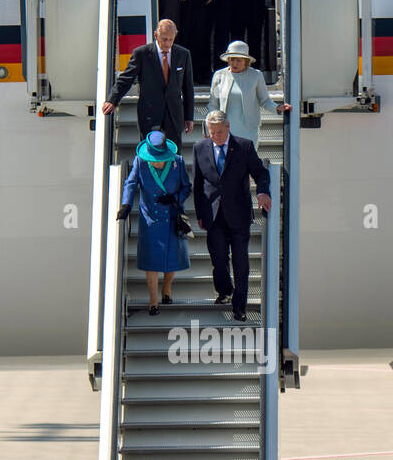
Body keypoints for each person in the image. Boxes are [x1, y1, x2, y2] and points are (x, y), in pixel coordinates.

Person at [192, 110, 271, 321]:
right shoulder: (199, 148)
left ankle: (240, 306)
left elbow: (260, 172)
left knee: (240, 263)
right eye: (211, 133)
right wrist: (200, 212)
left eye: (218, 132)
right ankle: (224, 291)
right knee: (218, 259)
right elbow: (198, 184)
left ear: (228, 127)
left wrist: (263, 191)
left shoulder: (244, 146)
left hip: (239, 214)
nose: (215, 136)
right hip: (213, 214)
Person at [117, 130, 192, 314]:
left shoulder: (177, 162)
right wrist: (126, 204)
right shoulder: (140, 161)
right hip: (150, 217)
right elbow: (130, 183)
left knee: (171, 257)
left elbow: (186, 187)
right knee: (151, 260)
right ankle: (153, 300)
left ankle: (166, 289)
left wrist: (175, 198)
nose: (157, 162)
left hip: (172, 217)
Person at [102, 20, 194, 153]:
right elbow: (126, 79)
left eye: (171, 39)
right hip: (150, 115)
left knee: (173, 154)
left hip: (174, 116)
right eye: (164, 39)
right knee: (150, 154)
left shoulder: (183, 54)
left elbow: (188, 88)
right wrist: (112, 99)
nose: (168, 44)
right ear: (156, 35)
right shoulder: (141, 54)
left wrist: (188, 117)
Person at [207, 40, 290, 148]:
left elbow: (264, 100)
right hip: (224, 129)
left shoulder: (256, 75)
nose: (234, 63)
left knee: (247, 161)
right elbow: (213, 104)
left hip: (249, 130)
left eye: (238, 60)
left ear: (246, 61)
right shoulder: (219, 75)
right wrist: (212, 126)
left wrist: (277, 108)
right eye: (232, 59)